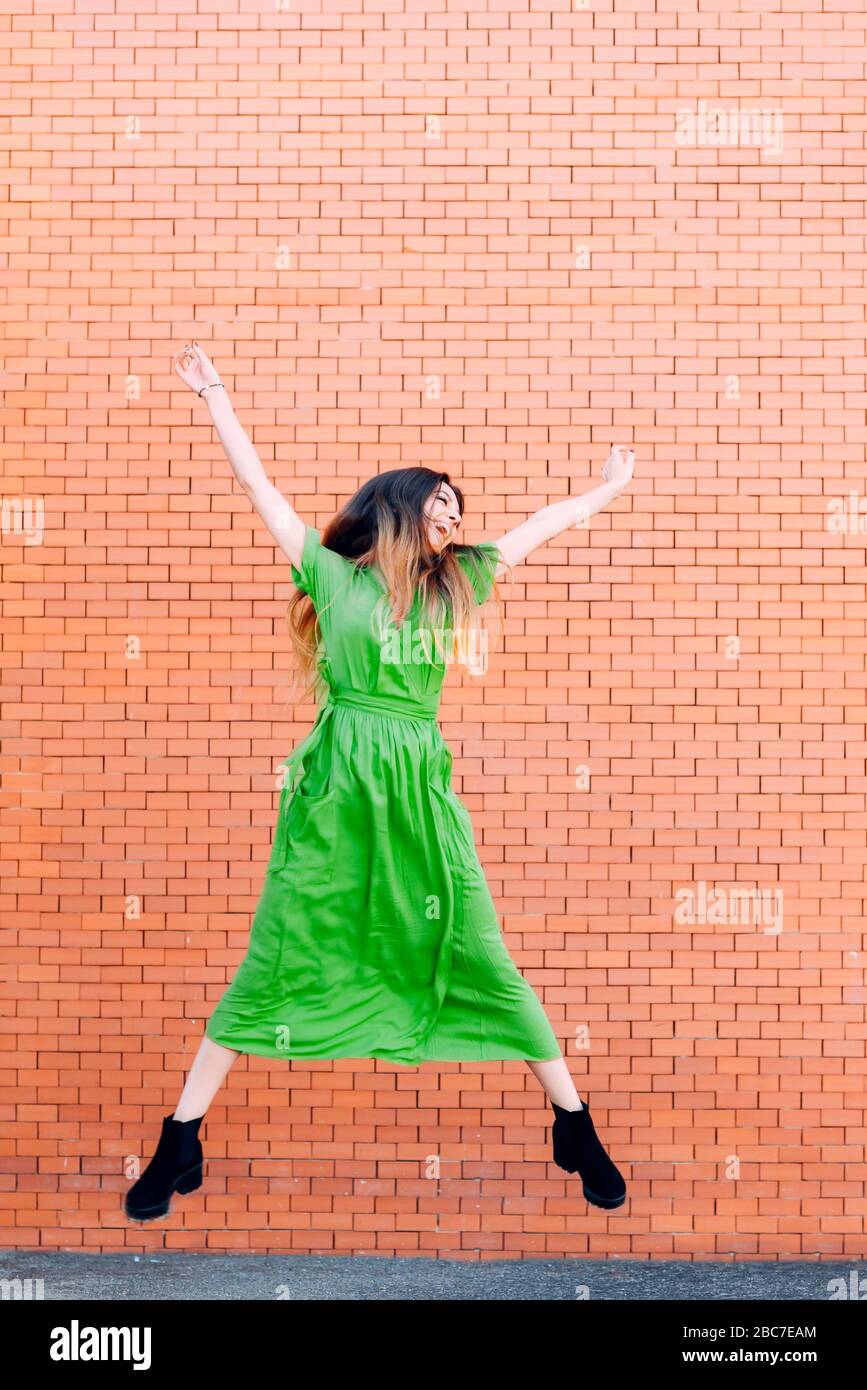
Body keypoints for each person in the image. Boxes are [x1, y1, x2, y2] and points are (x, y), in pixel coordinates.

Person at [123, 342, 635, 1224]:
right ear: (401, 506)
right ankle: (180, 1139)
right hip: (336, 785)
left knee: (476, 940)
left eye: (459, 508)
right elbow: (260, 492)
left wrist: (600, 493)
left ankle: (572, 1121)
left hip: (418, 786)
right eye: (441, 501)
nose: (454, 515)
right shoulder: (330, 575)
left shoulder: (458, 582)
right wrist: (215, 395)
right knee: (277, 951)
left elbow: (535, 531)